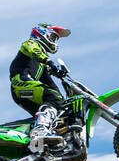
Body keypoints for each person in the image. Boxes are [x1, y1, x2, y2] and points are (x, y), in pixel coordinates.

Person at [9, 23, 73, 154]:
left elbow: (52, 88)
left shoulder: (41, 65)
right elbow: (33, 51)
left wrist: (64, 102)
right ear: (41, 33)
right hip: (20, 83)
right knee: (53, 98)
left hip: (26, 91)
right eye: (52, 37)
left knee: (56, 107)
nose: (53, 41)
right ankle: (39, 131)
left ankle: (33, 150)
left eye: (55, 39)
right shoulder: (30, 44)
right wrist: (49, 61)